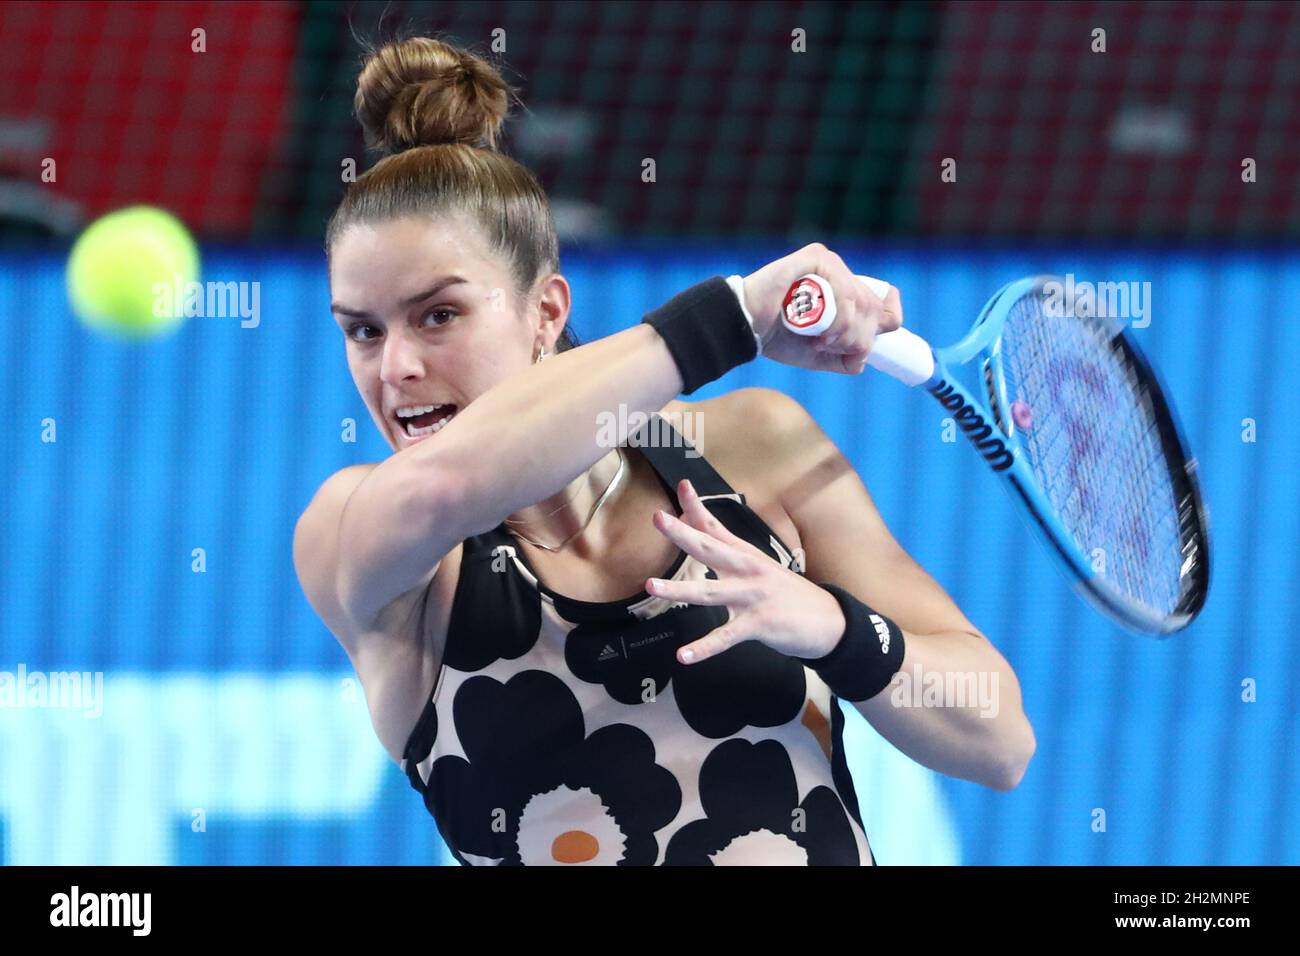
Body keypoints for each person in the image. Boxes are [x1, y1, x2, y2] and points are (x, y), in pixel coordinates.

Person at [293, 35, 1035, 866]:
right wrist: (738, 315)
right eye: (362, 330)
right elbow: (448, 487)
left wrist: (832, 628)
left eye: (438, 315)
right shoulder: (362, 538)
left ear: (545, 313)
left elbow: (999, 740)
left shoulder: (753, 447)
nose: (396, 366)